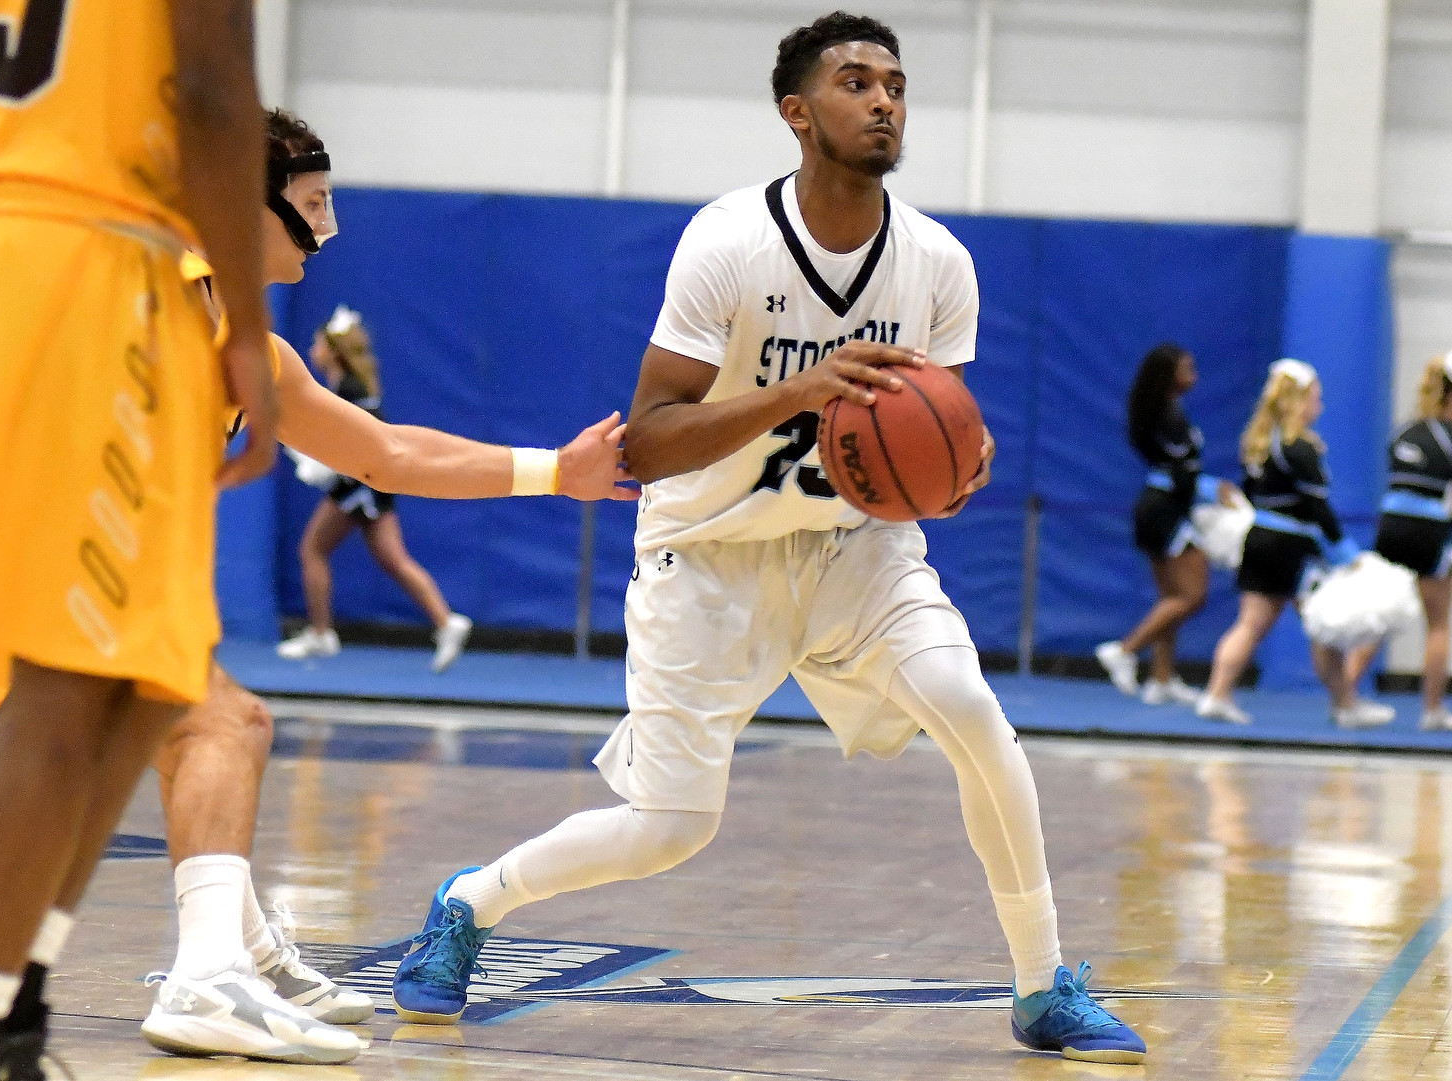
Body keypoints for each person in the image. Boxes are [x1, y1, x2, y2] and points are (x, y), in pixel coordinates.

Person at [387, 13, 1146, 1064]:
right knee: (671, 828)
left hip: (855, 555)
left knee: (975, 713)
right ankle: (471, 901)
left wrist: (958, 475)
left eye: (895, 84)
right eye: (855, 83)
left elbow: (941, 436)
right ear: (798, 113)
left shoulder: (936, 261)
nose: (884, 101)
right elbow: (644, 444)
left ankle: (1040, 984)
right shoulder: (729, 243)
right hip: (709, 554)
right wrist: (798, 389)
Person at [0, 107, 638, 1069]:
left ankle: (229, 949)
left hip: (18, 548)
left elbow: (386, 451)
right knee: (219, 724)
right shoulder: (131, 286)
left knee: (193, 732)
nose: (326, 230)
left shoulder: (244, 341)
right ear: (236, 197)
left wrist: (554, 469)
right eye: (310, 205)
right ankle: (191, 974)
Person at [0, 2, 284, 1078]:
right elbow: (217, 91)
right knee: (70, 679)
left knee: (152, 673)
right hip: (91, 253)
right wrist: (248, 332)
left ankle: (3, 1014)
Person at [276, 306, 476, 672]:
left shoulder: (351, 389)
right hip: (362, 482)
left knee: (313, 548)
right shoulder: (346, 386)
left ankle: (321, 633)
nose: (310, 349)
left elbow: (364, 441)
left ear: (332, 350)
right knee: (392, 558)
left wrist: (320, 463)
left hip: (361, 486)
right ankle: (446, 622)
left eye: (316, 344)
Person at [1194, 359, 1387, 729]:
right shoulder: (1300, 448)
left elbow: (1251, 494)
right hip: (1290, 549)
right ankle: (1345, 704)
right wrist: (1346, 553)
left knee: (1249, 624)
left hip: (1260, 541)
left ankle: (1216, 693)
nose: (1321, 406)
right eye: (1317, 398)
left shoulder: (1259, 442)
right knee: (1323, 627)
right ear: (1299, 401)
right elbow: (1318, 509)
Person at [1343, 351, 1452, 732]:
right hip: (1430, 529)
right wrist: (1448, 543)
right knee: (1437, 624)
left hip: (1391, 526)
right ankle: (1433, 710)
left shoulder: (1400, 432)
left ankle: (1346, 696)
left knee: (1379, 617)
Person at [1094, 342, 1233, 704]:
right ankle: (1125, 651)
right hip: (1164, 509)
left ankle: (1162, 677)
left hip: (1162, 506)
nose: (1194, 374)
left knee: (1172, 596)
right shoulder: (1167, 417)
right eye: (1187, 367)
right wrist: (1212, 490)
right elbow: (1183, 475)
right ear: (1169, 374)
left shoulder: (1166, 412)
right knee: (1192, 595)